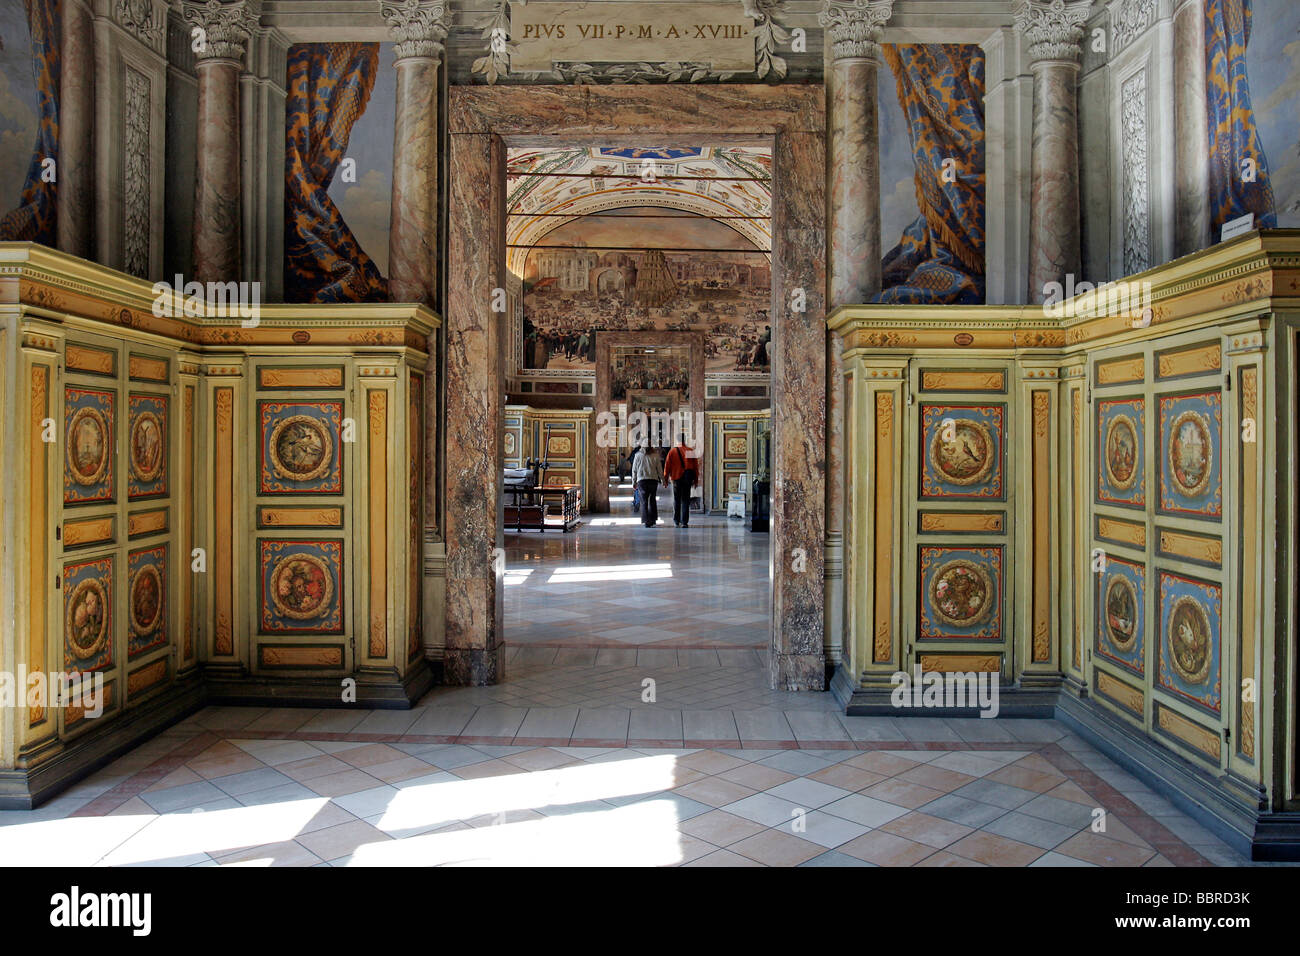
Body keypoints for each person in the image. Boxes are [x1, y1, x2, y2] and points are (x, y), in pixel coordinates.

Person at [663, 434, 700, 528]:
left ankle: (676, 521)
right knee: (685, 500)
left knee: (676, 500)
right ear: (685, 440)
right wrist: (696, 480)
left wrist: (665, 479)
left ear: (677, 440)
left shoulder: (672, 451)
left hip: (676, 479)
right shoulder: (690, 451)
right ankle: (684, 522)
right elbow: (696, 467)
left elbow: (667, 467)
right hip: (687, 479)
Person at [632, 442, 663, 527]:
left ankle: (646, 520)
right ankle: (653, 520)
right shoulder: (655, 455)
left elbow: (634, 470)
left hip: (642, 481)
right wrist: (663, 480)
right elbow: (659, 469)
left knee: (644, 501)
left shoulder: (637, 455)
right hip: (653, 480)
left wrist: (633, 482)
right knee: (652, 500)